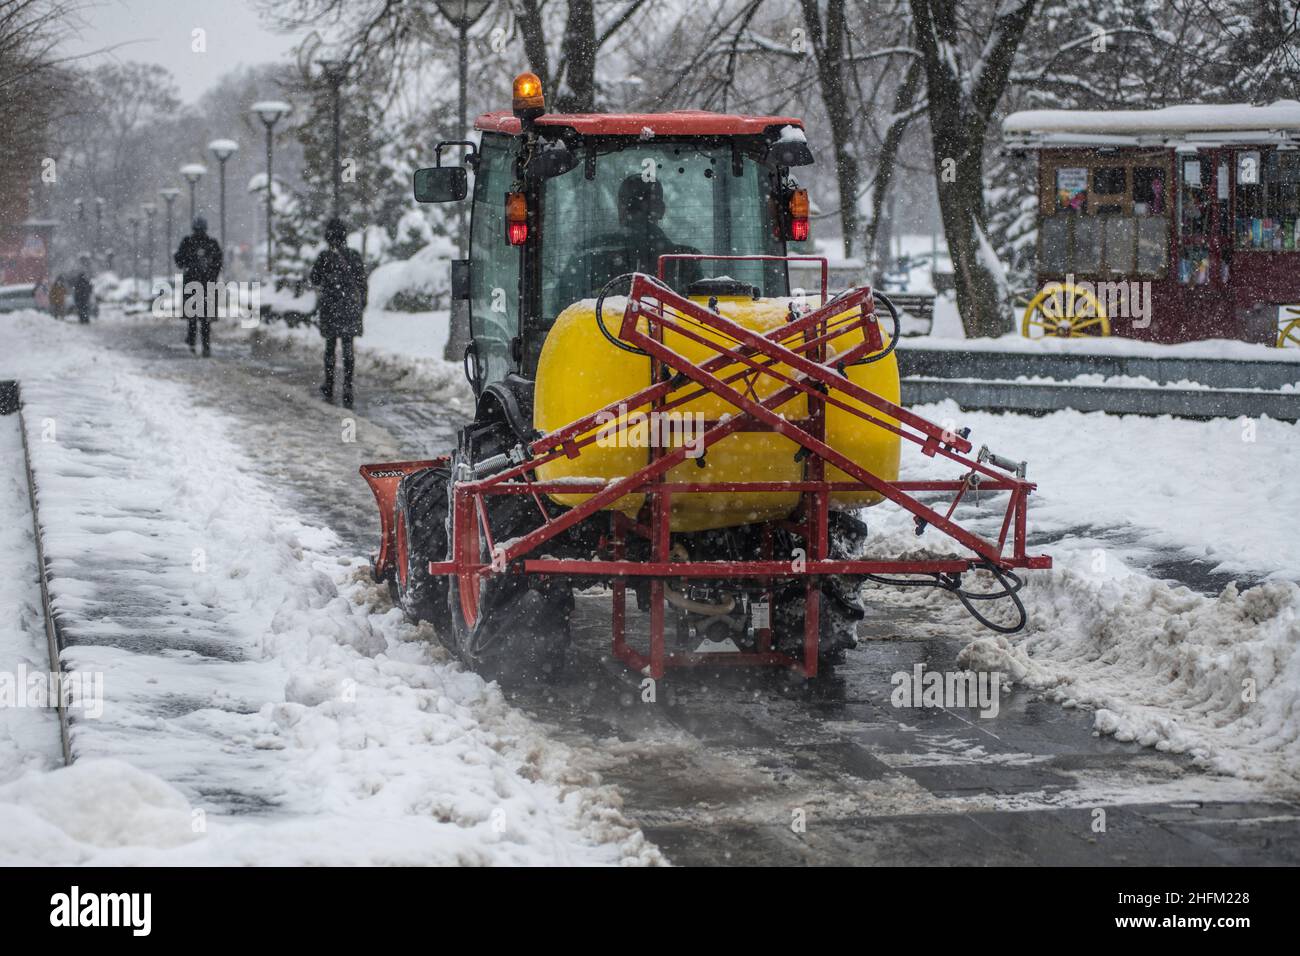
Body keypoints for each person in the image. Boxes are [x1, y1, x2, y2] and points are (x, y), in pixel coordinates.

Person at [309, 218, 366, 408]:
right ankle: (348, 385)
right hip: (349, 306)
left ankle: (329, 383)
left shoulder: (325, 257)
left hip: (331, 306)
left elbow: (314, 279)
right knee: (348, 347)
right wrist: (360, 304)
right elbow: (362, 282)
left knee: (330, 347)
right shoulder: (354, 256)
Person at [174, 217, 222, 356]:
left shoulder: (187, 242)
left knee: (193, 317)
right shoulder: (212, 243)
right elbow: (218, 263)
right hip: (207, 284)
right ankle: (205, 346)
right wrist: (212, 275)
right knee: (205, 318)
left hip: (192, 283)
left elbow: (179, 261)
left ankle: (192, 342)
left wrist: (189, 262)